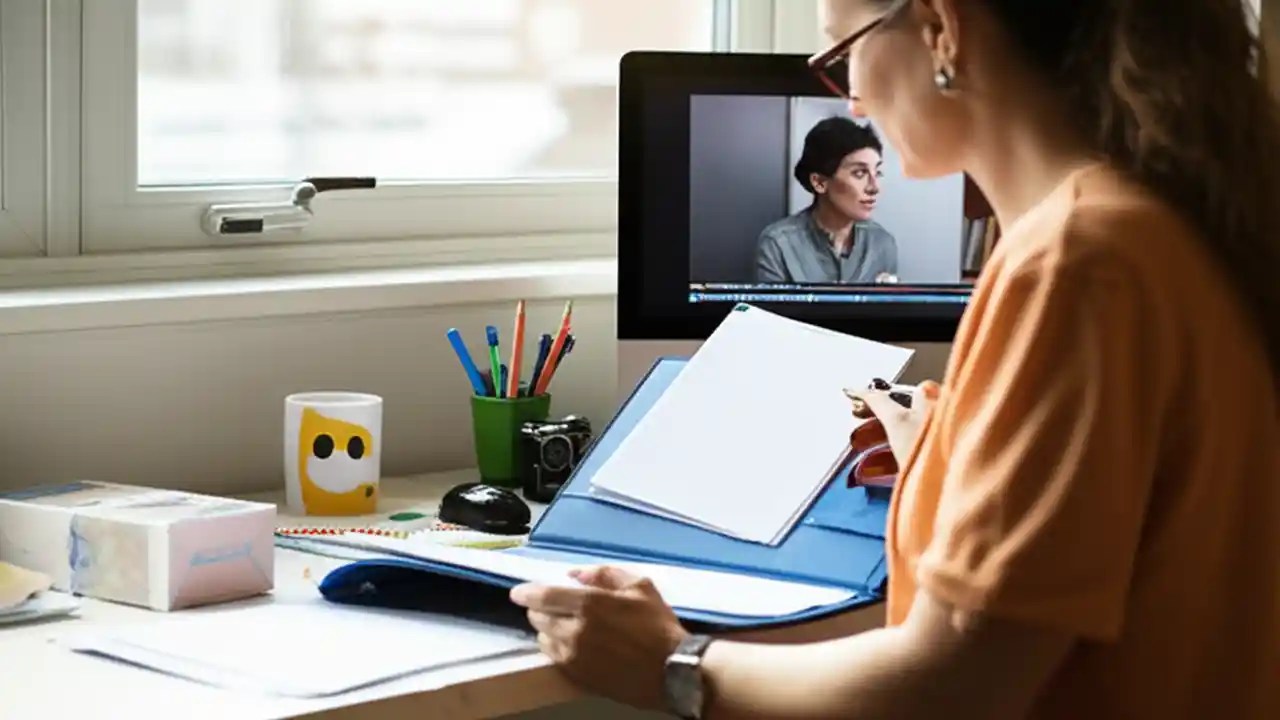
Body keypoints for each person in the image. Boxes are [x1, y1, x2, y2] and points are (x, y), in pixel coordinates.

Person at [511, 0, 1280, 718]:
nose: (851, 100)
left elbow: (958, 680)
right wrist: (946, 449)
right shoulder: (1159, 226)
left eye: (845, 56)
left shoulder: (1075, 261)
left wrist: (676, 661)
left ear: (943, 25)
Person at [756, 116, 899, 284]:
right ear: (819, 182)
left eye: (877, 173)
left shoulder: (881, 243)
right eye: (859, 173)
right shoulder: (779, 244)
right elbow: (772, 310)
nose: (874, 188)